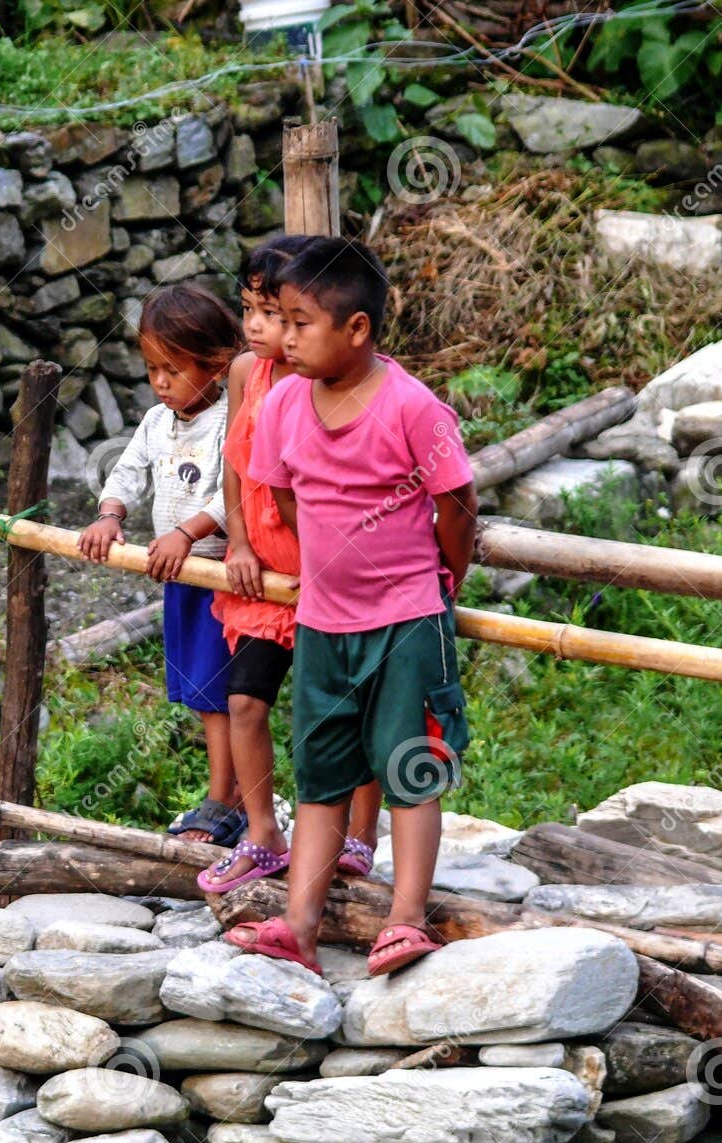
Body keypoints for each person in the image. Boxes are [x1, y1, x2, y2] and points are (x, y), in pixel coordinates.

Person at [228, 238, 477, 976]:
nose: (285, 337)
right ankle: (297, 926)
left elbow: (458, 505)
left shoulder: (413, 407)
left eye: (301, 323)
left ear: (358, 328)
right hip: (322, 624)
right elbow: (280, 494)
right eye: (280, 319)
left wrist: (445, 580)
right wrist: (325, 565)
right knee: (322, 775)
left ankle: (405, 919)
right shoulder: (282, 404)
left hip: (407, 621)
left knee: (411, 766)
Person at [198, 237, 384, 894]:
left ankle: (360, 833)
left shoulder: (332, 381)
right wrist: (240, 543)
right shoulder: (247, 374)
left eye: (273, 315)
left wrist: (334, 560)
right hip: (263, 577)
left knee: (350, 706)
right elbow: (234, 464)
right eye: (248, 310)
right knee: (245, 701)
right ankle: (262, 833)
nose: (256, 327)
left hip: (329, 580)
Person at [79, 283, 245, 847]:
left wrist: (185, 533)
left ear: (216, 365)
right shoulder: (156, 421)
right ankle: (229, 794)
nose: (160, 382)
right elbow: (127, 472)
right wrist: (109, 514)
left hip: (220, 575)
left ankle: (225, 801)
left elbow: (234, 495)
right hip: (182, 578)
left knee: (219, 697)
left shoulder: (231, 418)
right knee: (200, 693)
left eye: (173, 369)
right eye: (152, 368)